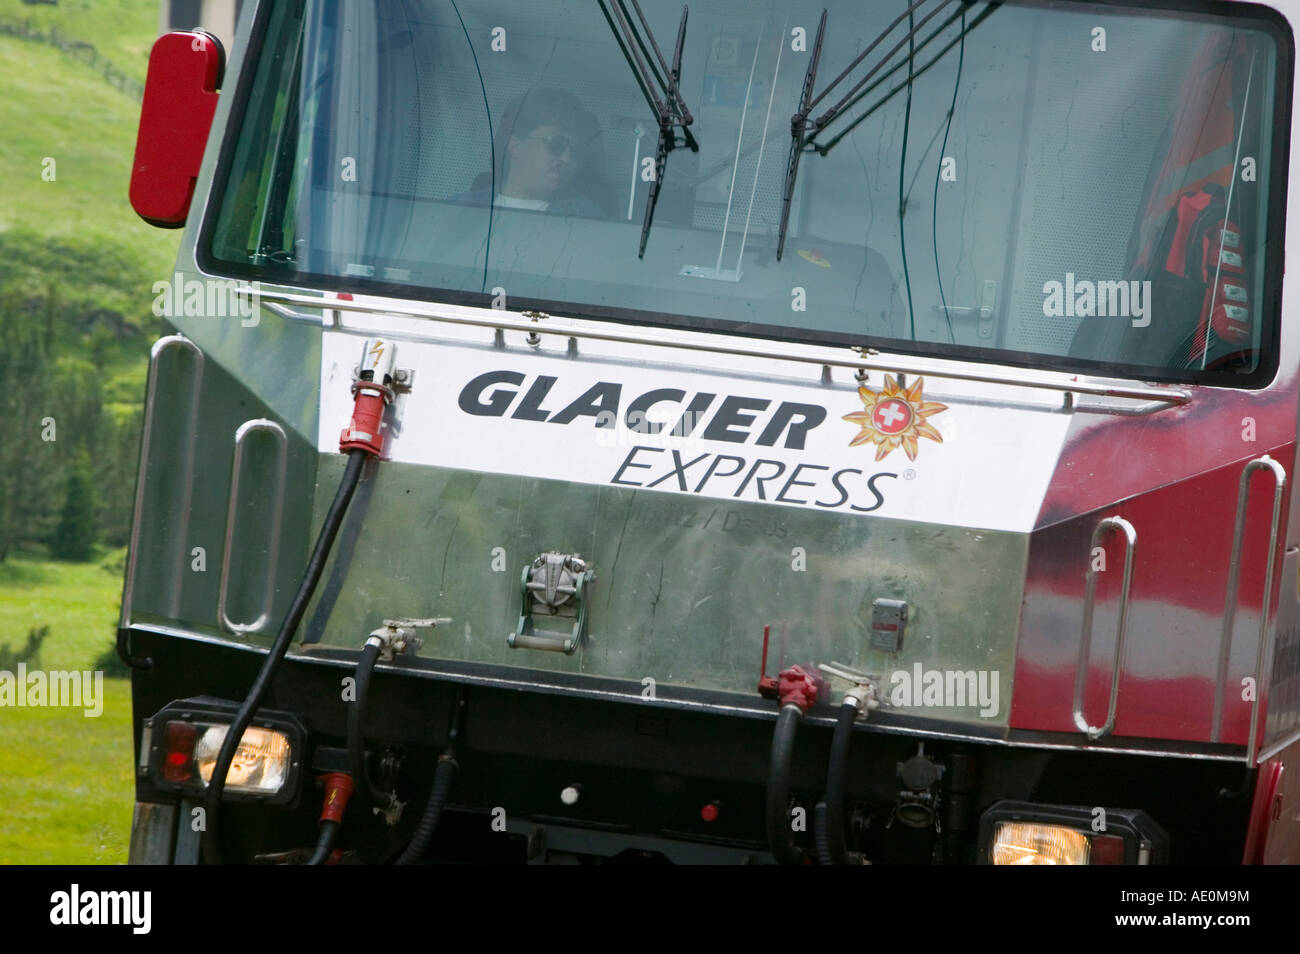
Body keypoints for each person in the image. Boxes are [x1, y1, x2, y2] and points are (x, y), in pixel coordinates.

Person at [453, 88, 607, 216]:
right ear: (516, 146)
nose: (566, 159)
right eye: (556, 145)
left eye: (575, 151)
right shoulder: (457, 209)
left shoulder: (586, 219)